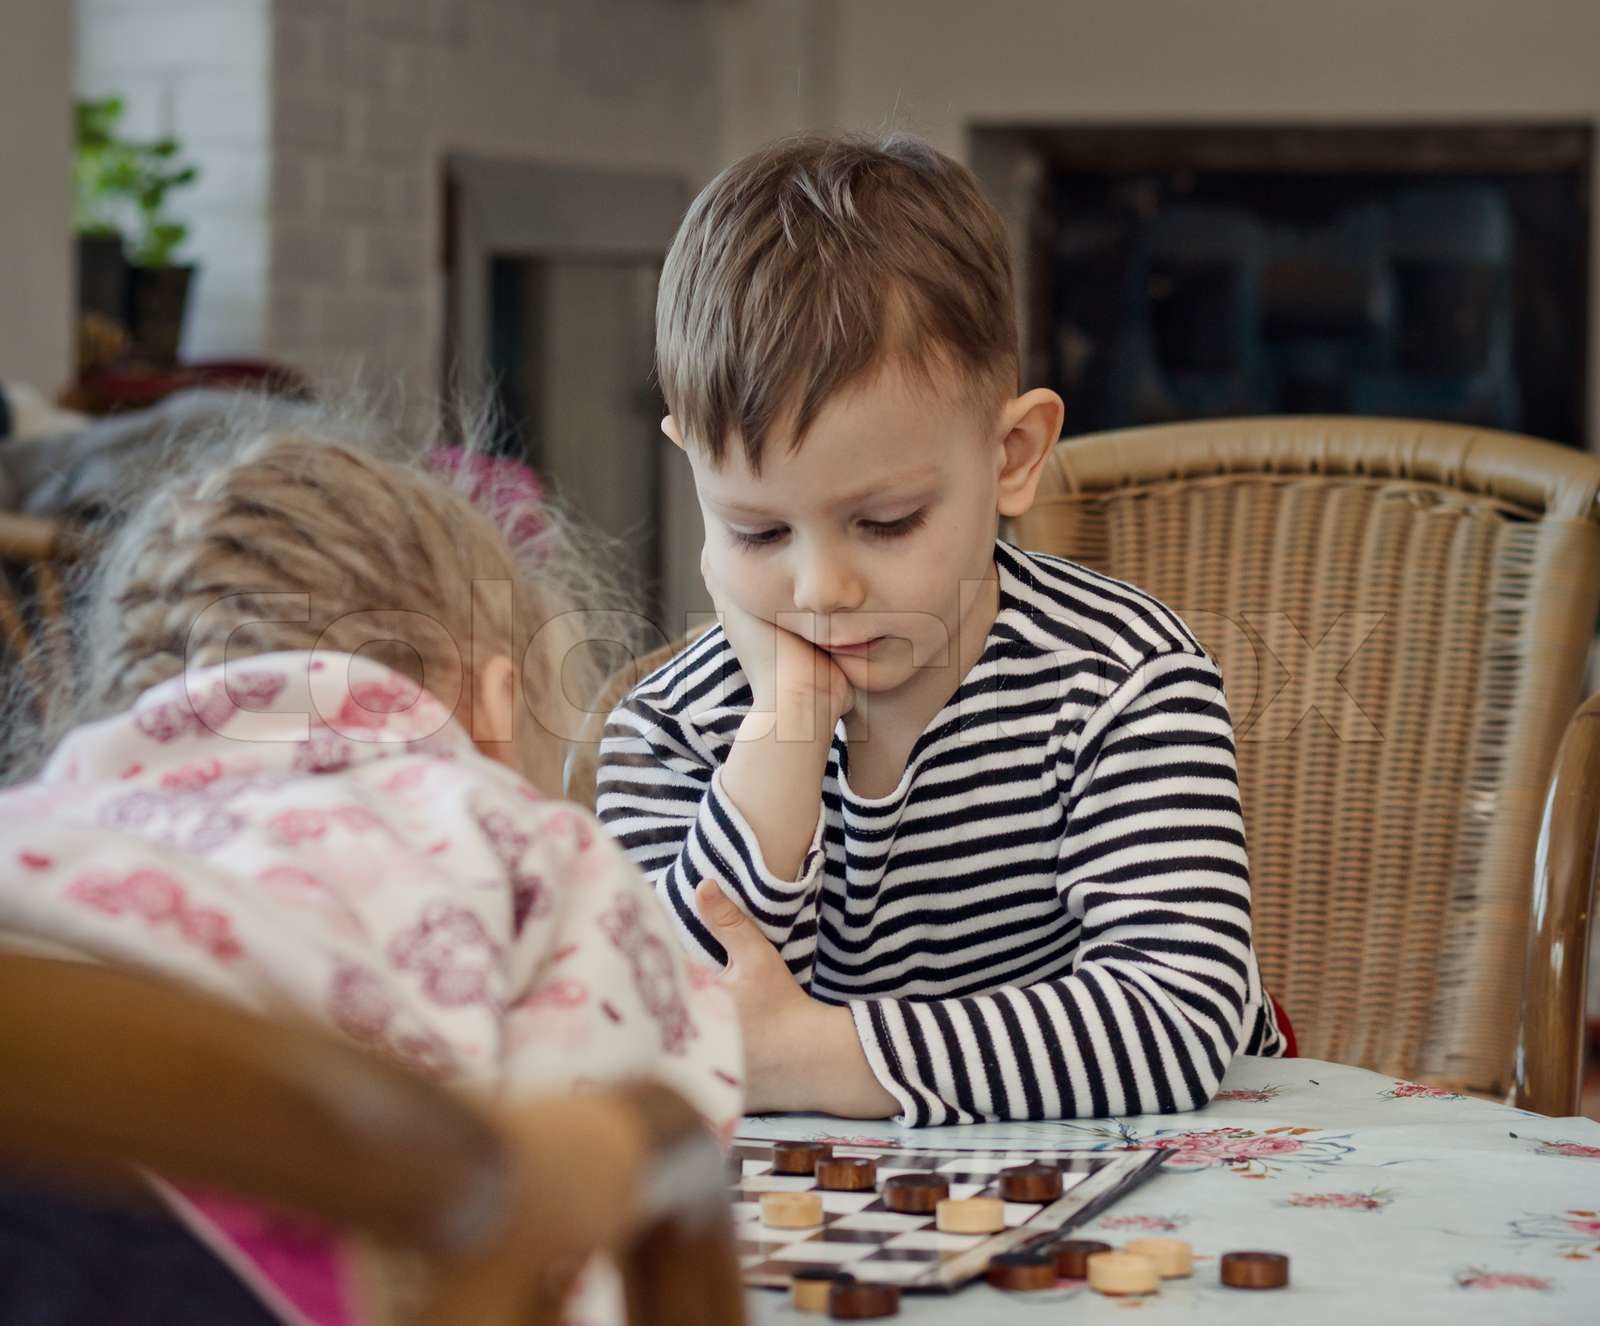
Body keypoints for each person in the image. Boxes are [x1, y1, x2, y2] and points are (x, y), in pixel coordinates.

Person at [597, 132, 1288, 1128]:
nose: (821, 586)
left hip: (1144, 1188)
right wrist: (786, 730)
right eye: (756, 529)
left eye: (885, 524)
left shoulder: (1124, 681)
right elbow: (648, 1025)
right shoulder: (668, 729)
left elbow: (1176, 1017)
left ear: (1012, 456)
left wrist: (797, 1057)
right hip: (845, 1228)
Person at [0, 414, 740, 1325]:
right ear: (494, 704)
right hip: (240, 1260)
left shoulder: (43, 818)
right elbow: (621, 1195)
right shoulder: (519, 842)